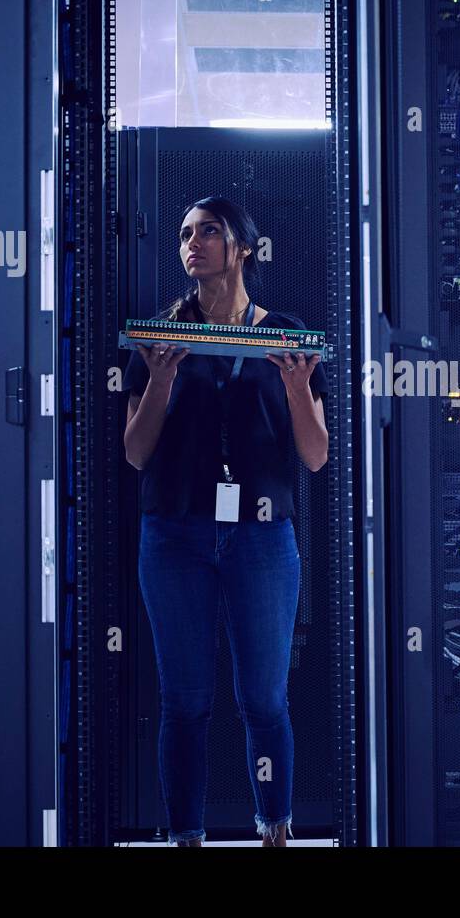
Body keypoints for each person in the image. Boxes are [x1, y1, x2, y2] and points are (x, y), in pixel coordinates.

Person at [122, 196, 328, 847]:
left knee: (264, 703)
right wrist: (159, 380)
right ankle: (185, 836)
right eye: (184, 233)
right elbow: (134, 452)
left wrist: (298, 389)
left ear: (242, 247)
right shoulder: (159, 335)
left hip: (261, 539)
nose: (192, 243)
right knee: (185, 703)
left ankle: (274, 829)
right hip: (175, 537)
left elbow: (316, 457)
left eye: (207, 231)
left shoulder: (285, 335)